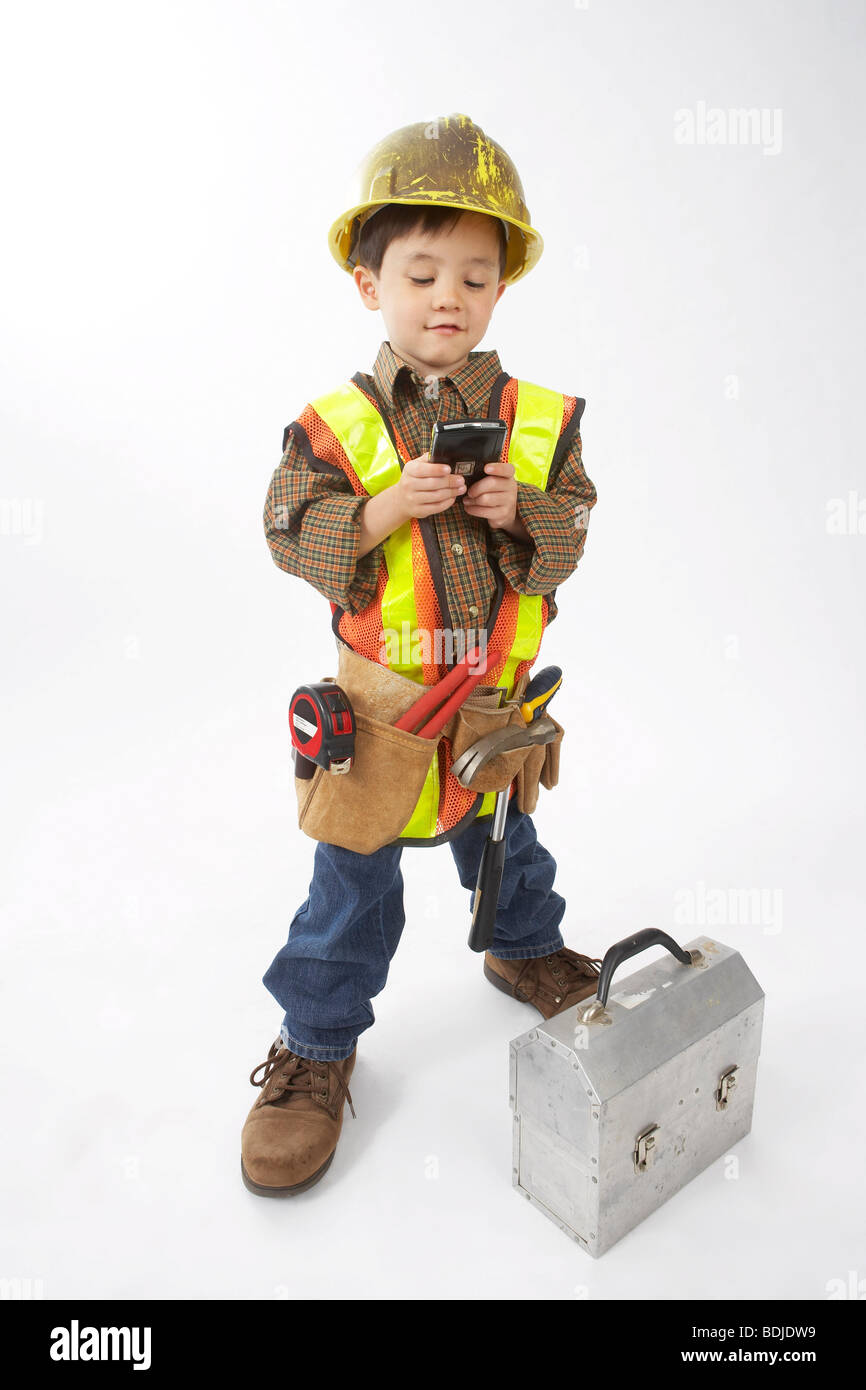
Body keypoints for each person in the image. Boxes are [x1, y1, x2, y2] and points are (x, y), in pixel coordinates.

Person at [241, 114, 601, 1198]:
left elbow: (571, 533)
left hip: (493, 712)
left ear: (502, 287)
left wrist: (519, 510)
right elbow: (285, 530)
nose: (450, 297)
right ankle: (315, 1044)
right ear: (369, 284)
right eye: (422, 273)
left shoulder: (540, 421)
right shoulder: (334, 426)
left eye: (476, 277)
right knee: (350, 888)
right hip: (381, 719)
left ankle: (522, 948)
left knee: (507, 850)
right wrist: (385, 508)